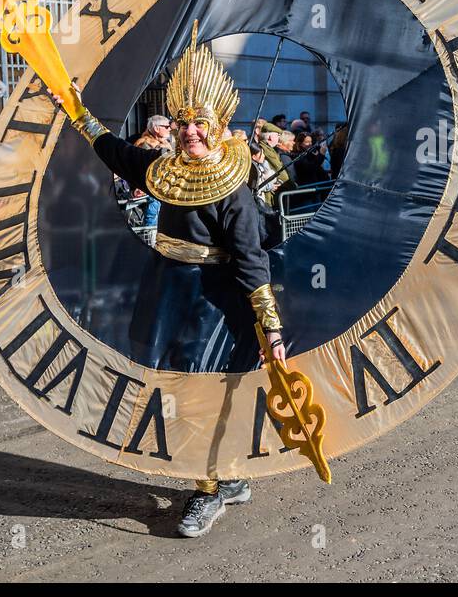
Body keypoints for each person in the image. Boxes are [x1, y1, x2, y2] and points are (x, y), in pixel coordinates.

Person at [51, 28, 285, 539]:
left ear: (220, 127)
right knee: (173, 387)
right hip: (167, 289)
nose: (189, 131)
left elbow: (251, 261)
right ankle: (229, 477)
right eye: (182, 122)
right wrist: (73, 107)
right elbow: (112, 149)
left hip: (215, 303)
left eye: (200, 123)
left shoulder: (236, 194)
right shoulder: (161, 168)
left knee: (203, 392)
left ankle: (210, 487)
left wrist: (271, 329)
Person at [132, 115, 174, 229]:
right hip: (149, 188)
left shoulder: (166, 144)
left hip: (162, 187)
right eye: (166, 126)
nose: (169, 129)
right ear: (156, 129)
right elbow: (141, 169)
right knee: (153, 218)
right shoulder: (144, 145)